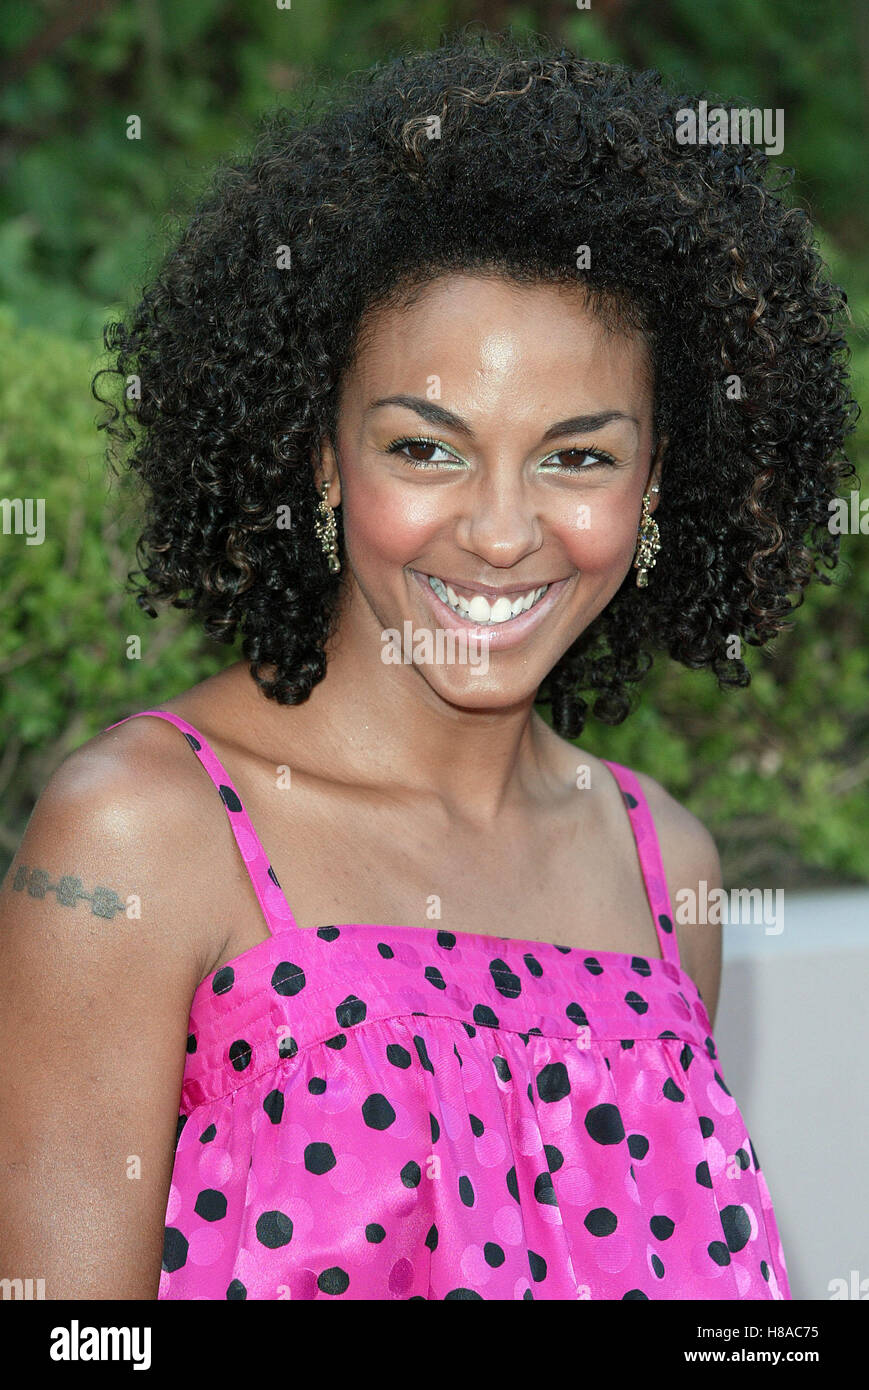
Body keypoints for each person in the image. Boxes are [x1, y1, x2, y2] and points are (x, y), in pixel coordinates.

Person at [0, 30, 854, 1301]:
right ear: (322, 456)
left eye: (577, 457)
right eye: (426, 448)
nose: (503, 531)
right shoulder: (138, 839)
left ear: (659, 478)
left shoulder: (660, 867)